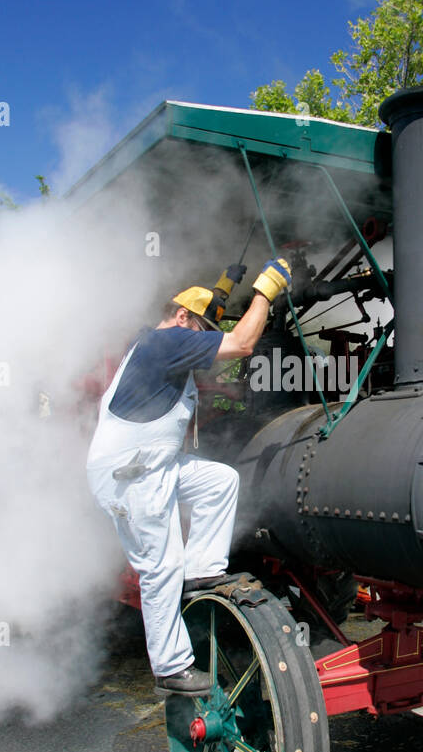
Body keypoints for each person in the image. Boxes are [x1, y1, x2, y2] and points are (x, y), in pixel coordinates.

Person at [86, 258, 291, 696]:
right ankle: (171, 667)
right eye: (199, 329)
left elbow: (206, 327)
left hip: (152, 464)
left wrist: (218, 291)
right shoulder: (168, 342)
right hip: (132, 474)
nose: (201, 344)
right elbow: (240, 343)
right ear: (181, 319)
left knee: (220, 481)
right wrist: (265, 290)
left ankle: (203, 570)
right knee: (160, 566)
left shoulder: (157, 344)